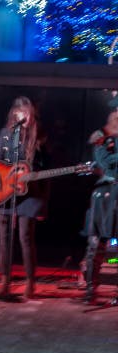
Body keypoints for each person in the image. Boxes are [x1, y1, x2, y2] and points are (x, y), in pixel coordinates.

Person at [0, 96, 49, 301]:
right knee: (4, 237)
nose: (26, 117)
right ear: (15, 114)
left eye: (29, 114)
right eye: (23, 113)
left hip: (30, 192)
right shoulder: (5, 134)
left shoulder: (39, 135)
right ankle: (4, 281)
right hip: (6, 191)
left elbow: (46, 169)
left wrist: (43, 203)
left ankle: (30, 282)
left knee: (25, 237)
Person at [81, 106, 118, 304]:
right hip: (105, 195)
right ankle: (90, 289)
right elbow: (103, 161)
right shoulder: (101, 137)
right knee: (96, 245)